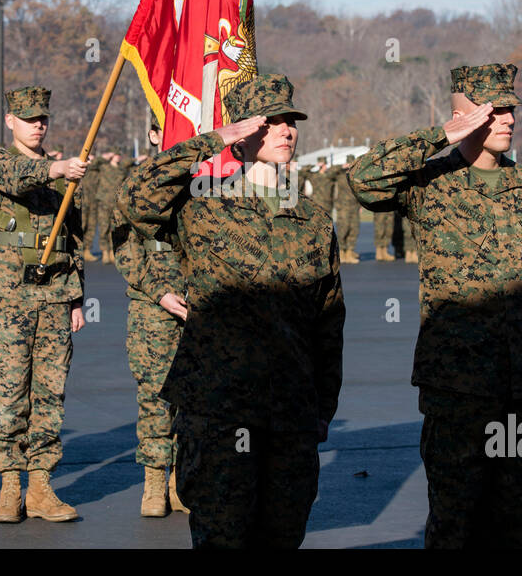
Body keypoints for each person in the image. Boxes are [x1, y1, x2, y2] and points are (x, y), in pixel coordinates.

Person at [120, 73, 344, 548]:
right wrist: (212, 140)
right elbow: (133, 200)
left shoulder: (313, 221)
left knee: (283, 534)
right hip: (219, 409)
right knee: (223, 535)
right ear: (242, 137)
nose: (286, 131)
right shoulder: (203, 208)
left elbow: (328, 322)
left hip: (290, 411)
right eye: (271, 122)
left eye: (290, 122)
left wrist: (324, 406)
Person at [349, 63, 522, 549]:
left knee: (511, 524)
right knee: (454, 523)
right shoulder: (430, 184)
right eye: (494, 111)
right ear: (462, 116)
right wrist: (440, 135)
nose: (508, 119)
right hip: (457, 389)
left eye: (512, 110)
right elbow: (363, 180)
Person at [0, 86, 89, 523]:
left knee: (49, 396)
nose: (37, 124)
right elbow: (17, 177)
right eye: (27, 118)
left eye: (42, 118)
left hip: (56, 296)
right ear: (10, 122)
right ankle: (9, 486)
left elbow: (74, 237)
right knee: (9, 395)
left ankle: (41, 486)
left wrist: (77, 297)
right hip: (9, 297)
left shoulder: (64, 174)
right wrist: (58, 168)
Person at [112, 119, 191, 517]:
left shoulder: (202, 184)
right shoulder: (136, 183)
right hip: (152, 307)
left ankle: (180, 480)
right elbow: (124, 247)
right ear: (154, 135)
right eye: (167, 130)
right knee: (155, 397)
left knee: (191, 400)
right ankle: (154, 482)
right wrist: (158, 292)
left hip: (198, 306)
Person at [333, 162, 361, 263]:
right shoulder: (340, 175)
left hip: (355, 206)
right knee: (343, 229)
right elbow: (330, 172)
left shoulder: (356, 176)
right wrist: (341, 166)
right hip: (343, 207)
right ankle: (341, 253)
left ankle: (349, 252)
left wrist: (360, 204)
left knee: (354, 229)